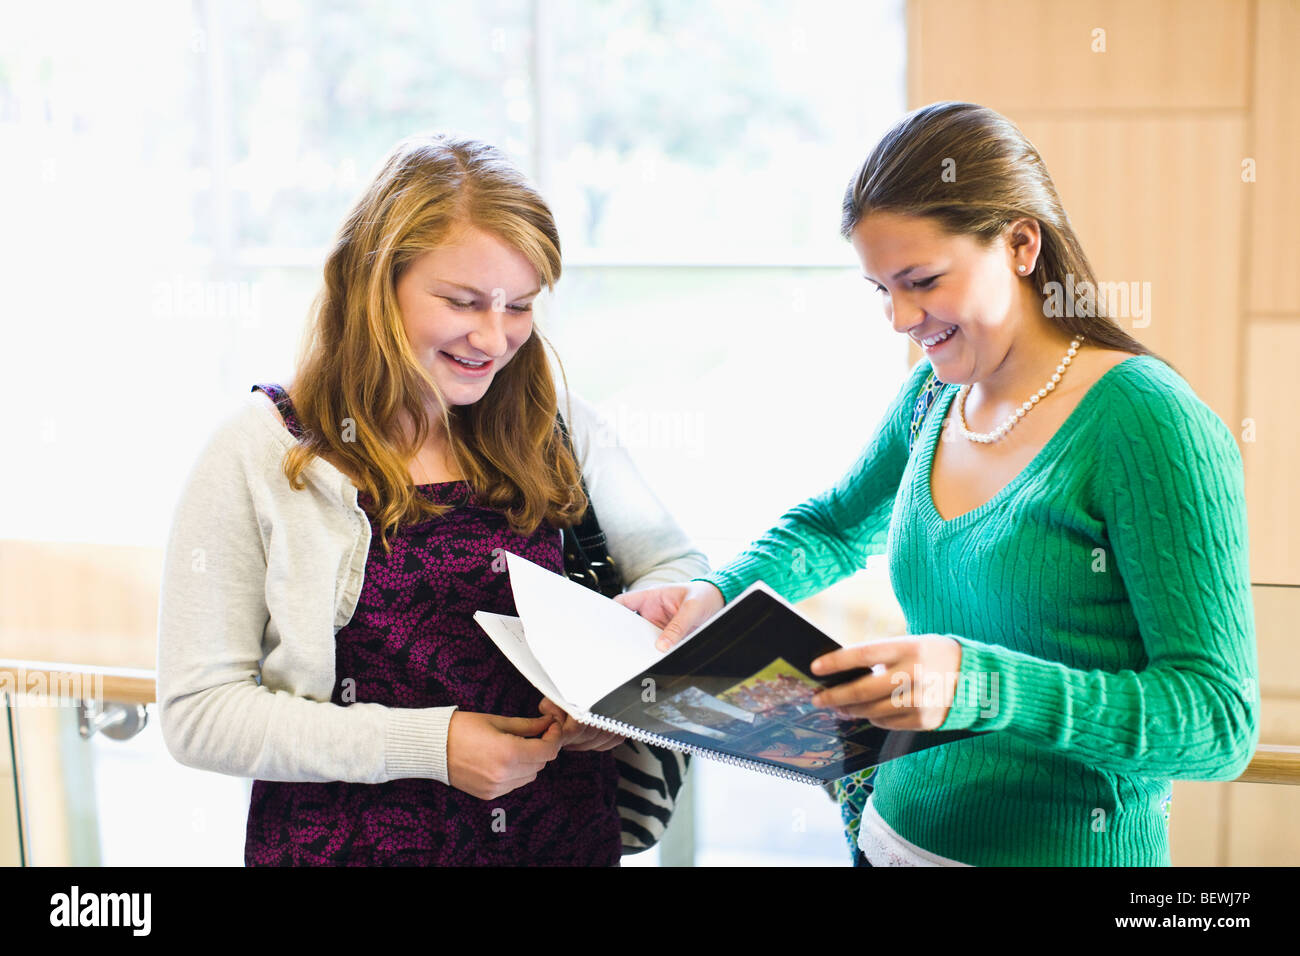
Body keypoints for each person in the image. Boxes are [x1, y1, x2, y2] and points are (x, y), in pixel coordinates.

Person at [617, 102, 1259, 867]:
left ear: (1022, 244)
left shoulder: (1146, 424)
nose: (898, 318)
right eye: (880, 288)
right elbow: (832, 524)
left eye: (920, 281)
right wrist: (720, 596)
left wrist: (977, 683)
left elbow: (1218, 724)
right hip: (887, 835)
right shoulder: (935, 395)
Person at [156, 133, 709, 866]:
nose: (496, 335)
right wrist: (429, 746)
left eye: (520, 305)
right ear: (373, 282)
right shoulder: (261, 452)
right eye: (463, 302)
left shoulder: (558, 424)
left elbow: (672, 567)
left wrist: (626, 678)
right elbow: (198, 714)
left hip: (562, 842)